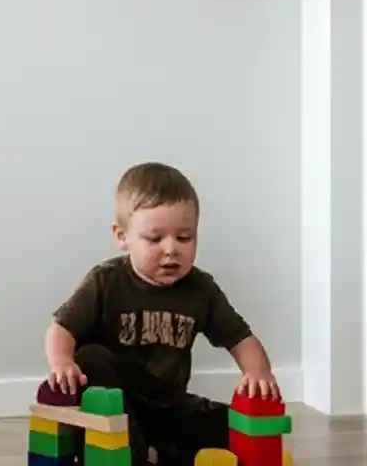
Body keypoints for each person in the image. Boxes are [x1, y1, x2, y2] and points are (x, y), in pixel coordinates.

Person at [42, 162, 279, 466]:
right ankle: (133, 452)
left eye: (185, 237)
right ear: (122, 236)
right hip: (115, 405)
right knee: (91, 357)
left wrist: (258, 371)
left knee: (227, 426)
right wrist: (61, 361)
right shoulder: (106, 281)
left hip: (168, 405)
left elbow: (240, 338)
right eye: (155, 239)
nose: (171, 249)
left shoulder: (200, 289)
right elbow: (62, 328)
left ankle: (165, 450)